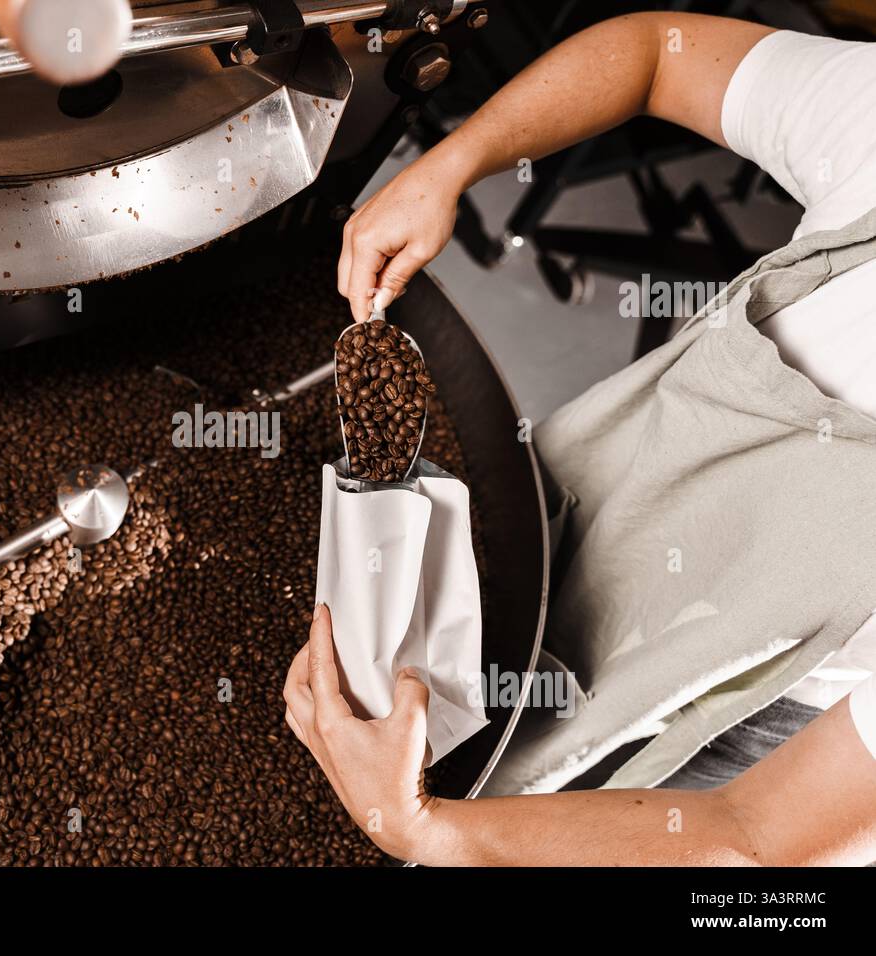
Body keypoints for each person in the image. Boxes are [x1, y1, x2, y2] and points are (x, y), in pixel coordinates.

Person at [285, 13, 876, 865]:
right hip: (577, 494)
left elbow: (757, 839)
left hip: (707, 700)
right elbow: (655, 58)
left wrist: (419, 828)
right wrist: (453, 165)